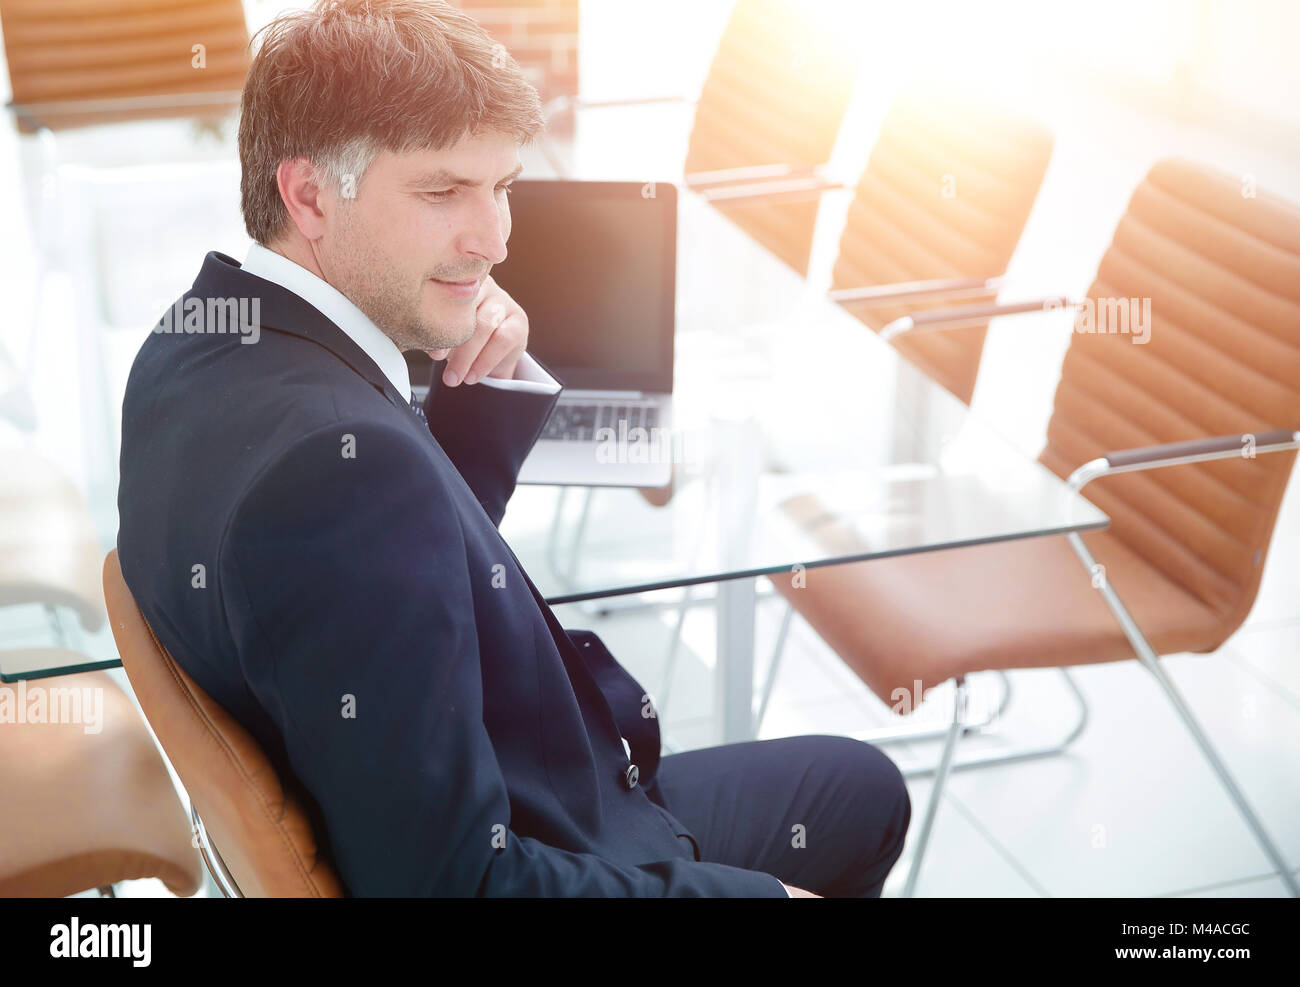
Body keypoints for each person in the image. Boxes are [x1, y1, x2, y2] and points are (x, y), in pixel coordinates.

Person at [116, 0, 909, 897]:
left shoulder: (195, 343)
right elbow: (457, 884)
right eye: (443, 191)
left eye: (502, 187)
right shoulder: (339, 476)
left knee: (857, 785)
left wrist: (479, 391)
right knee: (861, 797)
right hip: (552, 839)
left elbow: (389, 578)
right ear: (308, 196)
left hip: (493, 782)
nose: (494, 239)